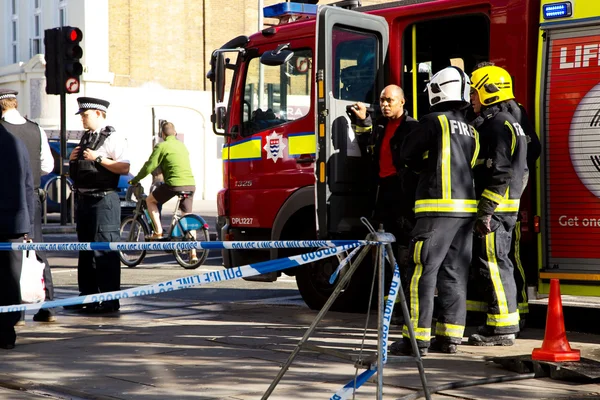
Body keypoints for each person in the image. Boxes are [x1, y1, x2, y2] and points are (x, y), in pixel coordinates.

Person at [386, 67, 479, 356]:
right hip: (466, 213)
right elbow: (472, 162)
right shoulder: (472, 129)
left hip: (435, 209)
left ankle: (416, 339)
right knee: (454, 273)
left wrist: (422, 167)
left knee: (421, 273)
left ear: (438, 90)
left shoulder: (432, 121)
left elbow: (407, 154)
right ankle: (450, 338)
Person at [466, 62, 542, 327]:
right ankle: (499, 317)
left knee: (496, 262)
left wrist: (488, 206)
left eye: (474, 91)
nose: (471, 96)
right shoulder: (509, 117)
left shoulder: (499, 122)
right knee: (499, 261)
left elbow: (501, 168)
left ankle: (504, 325)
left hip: (496, 205)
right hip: (505, 202)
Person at [350, 84, 419, 322]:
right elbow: (366, 145)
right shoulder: (380, 126)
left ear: (402, 102)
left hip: (403, 195)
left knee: (404, 253)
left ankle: (405, 307)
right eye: (382, 100)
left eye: (390, 100)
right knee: (383, 251)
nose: (385, 104)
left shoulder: (412, 127)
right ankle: (389, 305)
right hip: (383, 193)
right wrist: (363, 120)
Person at [66, 97, 130, 314]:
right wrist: (73, 159)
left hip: (104, 201)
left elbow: (124, 167)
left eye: (85, 115)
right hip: (85, 200)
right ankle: (87, 296)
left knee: (105, 251)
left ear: (99, 114)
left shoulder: (113, 137)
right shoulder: (86, 137)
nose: (82, 119)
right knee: (85, 251)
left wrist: (98, 158)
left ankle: (110, 300)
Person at [0, 89, 57, 324]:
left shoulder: (3, 130)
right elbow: (48, 166)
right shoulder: (36, 129)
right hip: (31, 196)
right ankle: (48, 306)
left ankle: (16, 314)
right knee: (37, 251)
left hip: (7, 200)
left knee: (9, 260)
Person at [128, 121, 197, 259]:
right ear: (175, 133)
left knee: (150, 200)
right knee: (187, 216)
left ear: (163, 134)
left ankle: (158, 231)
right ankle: (194, 254)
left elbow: (149, 166)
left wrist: (135, 180)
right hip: (190, 185)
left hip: (174, 184)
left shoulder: (161, 146)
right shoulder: (182, 146)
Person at [0, 123, 34, 349]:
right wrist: (28, 225)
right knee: (10, 279)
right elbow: (28, 185)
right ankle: (7, 331)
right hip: (14, 223)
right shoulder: (17, 143)